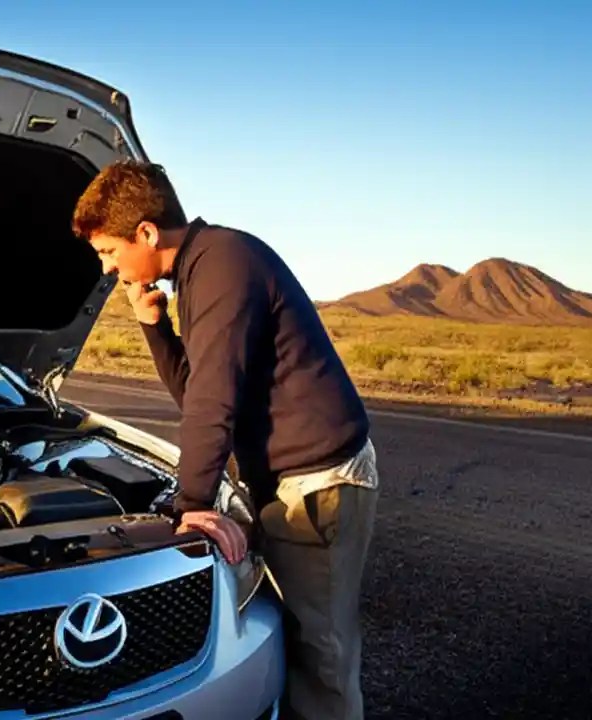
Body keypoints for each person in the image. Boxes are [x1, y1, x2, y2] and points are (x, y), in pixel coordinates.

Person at [71, 160, 380, 720]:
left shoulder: (223, 265)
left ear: (145, 233)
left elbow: (213, 401)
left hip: (318, 486)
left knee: (324, 654)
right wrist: (154, 325)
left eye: (109, 253)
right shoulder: (202, 269)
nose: (110, 269)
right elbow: (200, 394)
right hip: (281, 479)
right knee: (286, 635)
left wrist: (192, 505)